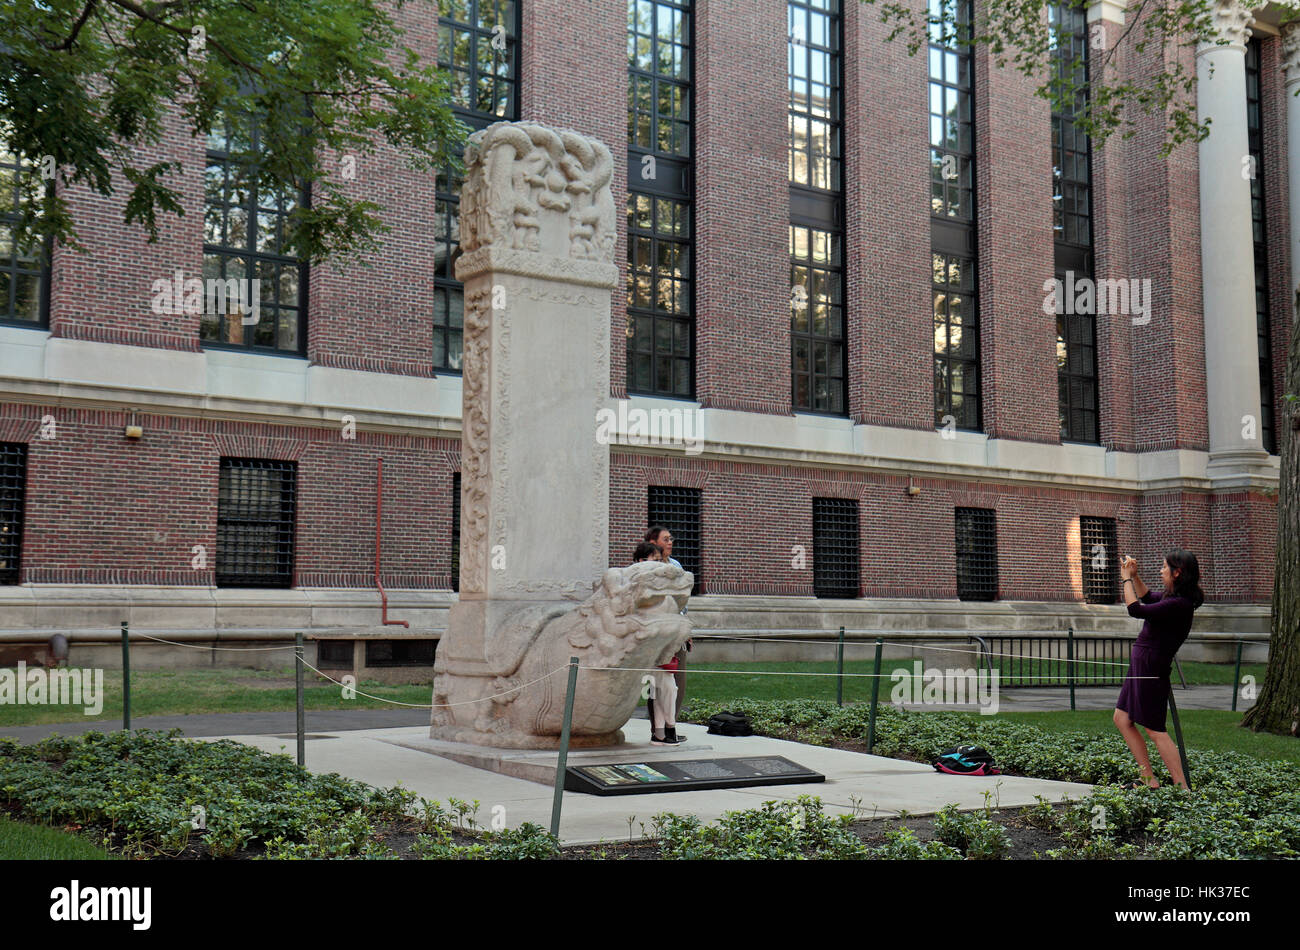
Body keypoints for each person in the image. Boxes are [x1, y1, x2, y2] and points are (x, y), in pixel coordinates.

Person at [1113, 549, 1204, 789]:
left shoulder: (1179, 605)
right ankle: (1148, 780)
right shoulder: (1170, 598)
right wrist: (1134, 575)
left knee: (1155, 729)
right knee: (1122, 718)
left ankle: (1182, 789)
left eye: (1164, 567)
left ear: (1177, 573)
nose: (1161, 570)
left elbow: (1136, 609)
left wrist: (1124, 578)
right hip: (1142, 663)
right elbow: (1146, 596)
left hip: (1152, 666)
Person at [632, 540, 685, 745]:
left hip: (664, 641)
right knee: (658, 688)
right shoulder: (635, 584)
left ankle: (664, 731)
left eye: (656, 559)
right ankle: (664, 731)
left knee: (667, 688)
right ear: (640, 560)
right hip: (648, 644)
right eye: (650, 559)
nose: (654, 563)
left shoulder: (661, 585)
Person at [645, 525, 691, 719]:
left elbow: (683, 602)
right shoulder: (647, 568)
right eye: (666, 539)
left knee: (678, 681)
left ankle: (671, 725)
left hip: (676, 632)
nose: (670, 542)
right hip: (656, 633)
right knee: (655, 682)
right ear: (653, 542)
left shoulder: (676, 566)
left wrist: (686, 630)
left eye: (671, 539)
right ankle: (657, 728)